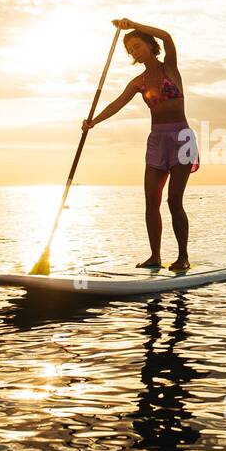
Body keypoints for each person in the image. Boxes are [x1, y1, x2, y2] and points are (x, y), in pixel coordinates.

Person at [83, 18, 198, 271]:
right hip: (157, 141)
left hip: (181, 137)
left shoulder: (170, 67)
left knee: (174, 201)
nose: (135, 51)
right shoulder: (138, 82)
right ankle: (155, 256)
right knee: (151, 201)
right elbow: (116, 103)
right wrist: (93, 122)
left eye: (137, 45)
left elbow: (167, 37)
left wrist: (133, 24)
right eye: (131, 50)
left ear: (149, 45)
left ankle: (183, 257)